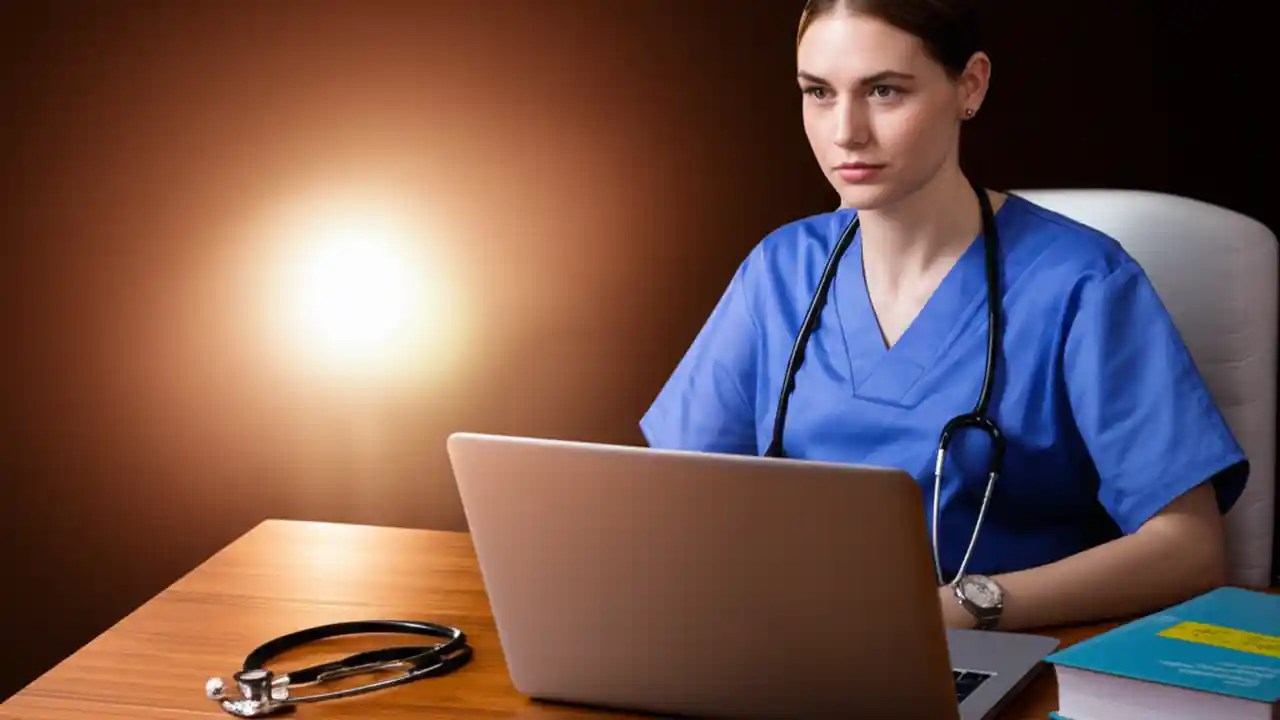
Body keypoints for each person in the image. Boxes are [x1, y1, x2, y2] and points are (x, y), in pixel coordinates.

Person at [639, 0, 1249, 632]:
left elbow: (1189, 551)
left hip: (993, 652)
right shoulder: (781, 269)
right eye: (818, 92)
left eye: (884, 91)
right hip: (790, 643)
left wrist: (954, 612)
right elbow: (672, 497)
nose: (845, 131)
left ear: (970, 86)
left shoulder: (1081, 284)